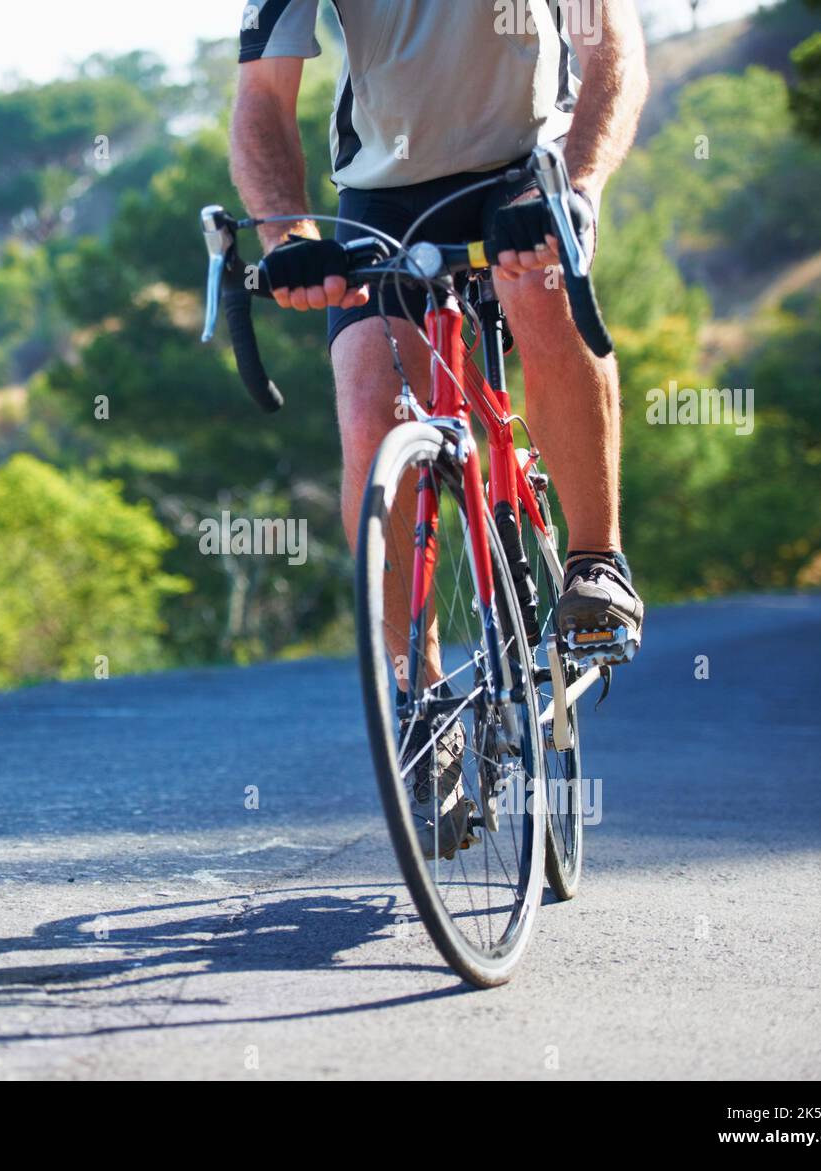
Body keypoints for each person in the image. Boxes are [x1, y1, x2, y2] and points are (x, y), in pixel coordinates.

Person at [229, 1, 649, 856]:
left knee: (539, 293)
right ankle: (421, 701)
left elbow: (613, 48)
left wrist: (577, 186)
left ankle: (594, 561)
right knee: (368, 410)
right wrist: (289, 232)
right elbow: (263, 102)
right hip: (384, 191)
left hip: (529, 165)